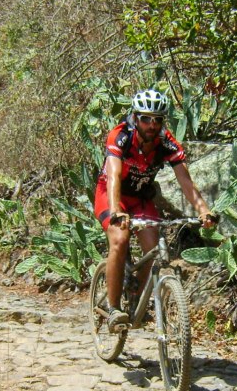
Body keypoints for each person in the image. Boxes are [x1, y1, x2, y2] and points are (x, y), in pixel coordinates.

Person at [93, 89, 217, 331]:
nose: (152, 125)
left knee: (153, 249)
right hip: (111, 195)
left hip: (141, 198)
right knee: (119, 239)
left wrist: (204, 210)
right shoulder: (120, 136)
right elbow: (114, 175)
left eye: (158, 119)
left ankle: (136, 299)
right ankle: (114, 308)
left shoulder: (166, 142)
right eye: (146, 119)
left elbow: (185, 182)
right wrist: (116, 211)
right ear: (135, 117)